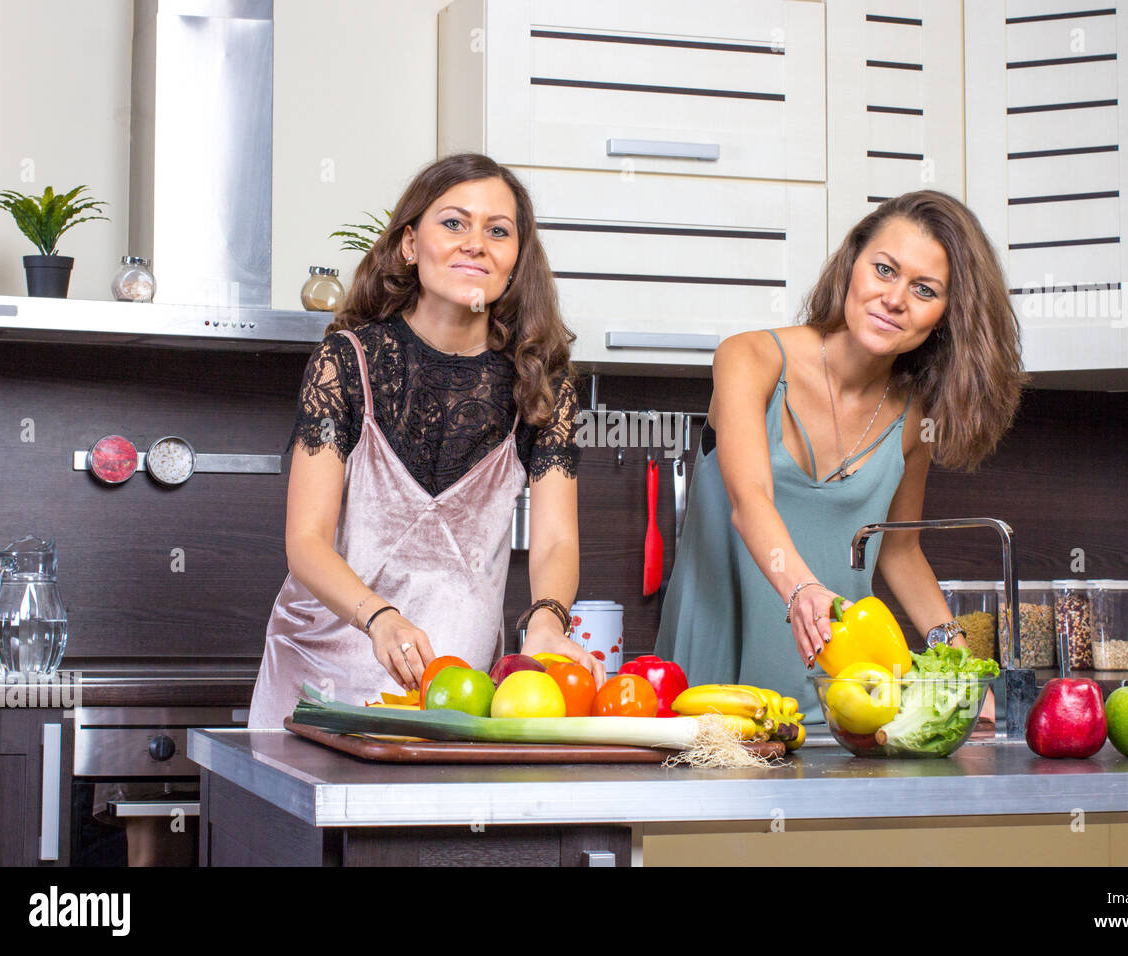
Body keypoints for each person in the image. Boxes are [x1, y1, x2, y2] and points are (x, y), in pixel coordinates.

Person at [249, 153, 602, 729]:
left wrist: (546, 620)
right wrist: (380, 618)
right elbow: (306, 543)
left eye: (498, 231)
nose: (476, 244)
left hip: (455, 689)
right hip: (319, 677)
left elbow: (557, 540)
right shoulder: (346, 362)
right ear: (410, 244)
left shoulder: (542, 385)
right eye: (454, 223)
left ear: (517, 259)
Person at [655, 191, 1026, 722]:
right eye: (884, 269)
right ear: (853, 263)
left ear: (946, 316)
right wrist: (803, 589)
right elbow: (750, 498)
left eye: (924, 289)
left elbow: (899, 553)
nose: (895, 298)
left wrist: (962, 667)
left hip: (839, 691)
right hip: (714, 684)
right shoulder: (750, 357)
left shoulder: (914, 420)